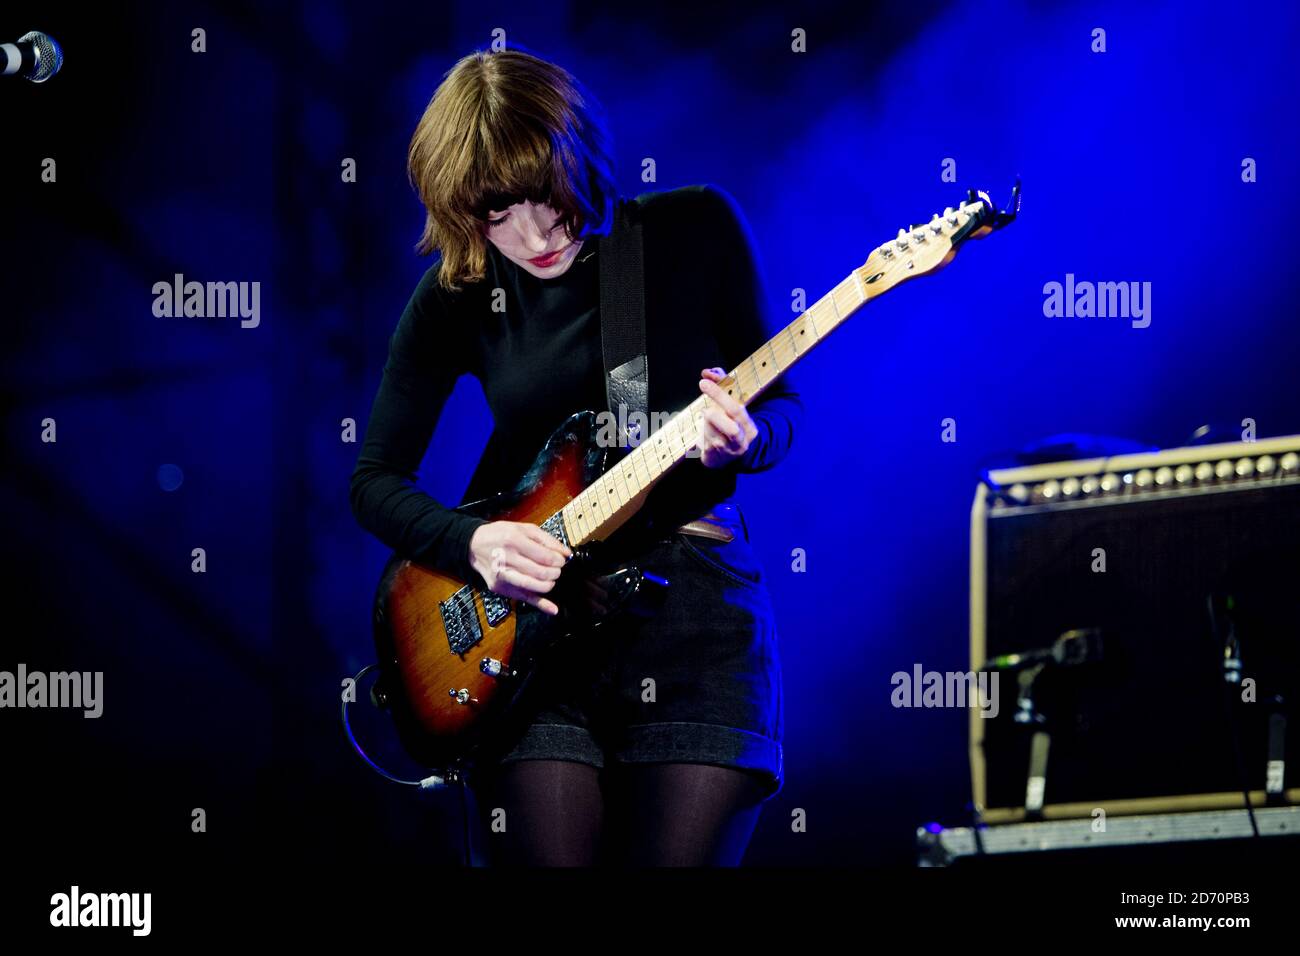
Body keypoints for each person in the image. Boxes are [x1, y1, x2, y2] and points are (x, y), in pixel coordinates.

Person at [350, 47, 802, 866]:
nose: (530, 236)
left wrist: (747, 436)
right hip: (531, 633)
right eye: (494, 216)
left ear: (577, 157)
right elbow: (374, 479)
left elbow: (781, 412)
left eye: (542, 199)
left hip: (695, 614)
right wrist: (474, 543)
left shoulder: (692, 227)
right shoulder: (459, 291)